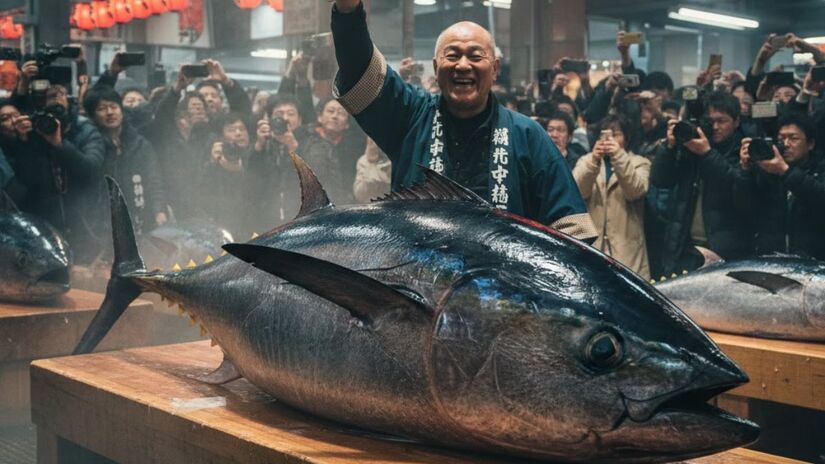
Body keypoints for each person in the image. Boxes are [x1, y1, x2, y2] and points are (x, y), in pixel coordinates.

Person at [328, 0, 596, 240]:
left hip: (502, 280)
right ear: (436, 68)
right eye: (453, 55)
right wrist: (348, 9)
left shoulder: (527, 135)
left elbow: (572, 229)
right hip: (413, 276)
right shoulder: (410, 116)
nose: (463, 65)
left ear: (495, 69)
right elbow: (361, 70)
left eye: (476, 56)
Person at [650, 90, 750, 275]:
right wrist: (669, 147)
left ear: (736, 121)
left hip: (724, 251)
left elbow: (736, 189)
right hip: (684, 247)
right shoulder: (690, 146)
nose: (715, 127)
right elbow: (660, 180)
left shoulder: (743, 151)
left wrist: (707, 153)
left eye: (722, 121)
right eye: (710, 121)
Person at [737, 112, 825, 260]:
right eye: (781, 138)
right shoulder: (768, 170)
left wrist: (785, 172)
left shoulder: (820, 169)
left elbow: (820, 198)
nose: (786, 144)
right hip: (771, 259)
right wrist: (745, 170)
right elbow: (744, 206)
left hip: (813, 260)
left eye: (793, 138)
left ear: (810, 144)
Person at [573, 116, 651, 278]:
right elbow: (577, 192)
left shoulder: (640, 163)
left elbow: (635, 191)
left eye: (615, 135)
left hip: (628, 251)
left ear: (626, 138)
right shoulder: (587, 160)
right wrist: (594, 159)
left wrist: (618, 156)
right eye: (605, 135)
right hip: (593, 247)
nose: (609, 140)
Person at [84, 86, 167, 237]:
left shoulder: (140, 144)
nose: (110, 112)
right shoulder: (91, 147)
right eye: (102, 108)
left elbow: (154, 180)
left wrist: (159, 210)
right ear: (92, 116)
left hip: (140, 219)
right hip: (102, 226)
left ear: (122, 110)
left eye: (114, 106)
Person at [353, 137, 391, 203]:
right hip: (368, 204)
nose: (372, 145)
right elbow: (358, 193)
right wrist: (371, 164)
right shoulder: (363, 161)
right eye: (370, 142)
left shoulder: (392, 161)